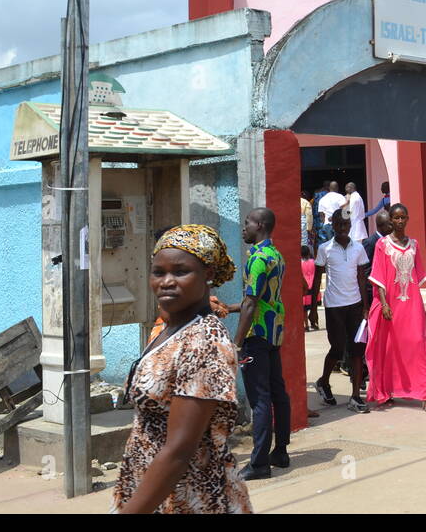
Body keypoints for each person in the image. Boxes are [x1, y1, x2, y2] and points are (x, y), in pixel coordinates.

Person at [114, 224, 251, 513]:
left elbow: (179, 449)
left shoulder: (204, 343)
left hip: (192, 497)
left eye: (180, 272)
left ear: (209, 274)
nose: (166, 281)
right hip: (152, 490)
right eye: (158, 272)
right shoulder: (168, 328)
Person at [366, 203, 426, 412]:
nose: (399, 221)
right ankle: (389, 390)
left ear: (407, 219)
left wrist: (422, 308)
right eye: (396, 218)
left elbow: (417, 279)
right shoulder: (382, 245)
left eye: (403, 217)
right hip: (391, 304)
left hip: (412, 304)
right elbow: (379, 276)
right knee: (391, 347)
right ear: (391, 220)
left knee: (418, 345)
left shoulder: (414, 245)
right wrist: (384, 304)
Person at [232, 208, 290, 480]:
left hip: (256, 334)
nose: (244, 228)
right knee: (278, 392)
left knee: (260, 399)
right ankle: (280, 451)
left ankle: (259, 464)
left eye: (247, 223)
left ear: (260, 225)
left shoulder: (256, 259)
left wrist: (237, 342)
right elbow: (262, 298)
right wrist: (232, 307)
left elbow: (252, 303)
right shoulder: (276, 255)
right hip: (274, 331)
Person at [315, 211, 371, 412]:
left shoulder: (358, 248)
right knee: (337, 348)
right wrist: (313, 307)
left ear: (350, 226)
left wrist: (365, 307)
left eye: (345, 224)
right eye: (338, 224)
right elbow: (316, 279)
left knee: (357, 350)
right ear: (333, 224)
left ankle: (355, 396)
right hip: (334, 306)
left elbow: (362, 278)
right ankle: (323, 382)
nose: (342, 228)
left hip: (355, 305)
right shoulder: (325, 249)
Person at [300, 245, 318, 332]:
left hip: (305, 287)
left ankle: (306, 325)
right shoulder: (313, 262)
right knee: (314, 307)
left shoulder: (299, 263)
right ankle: (314, 323)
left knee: (304, 310)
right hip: (313, 286)